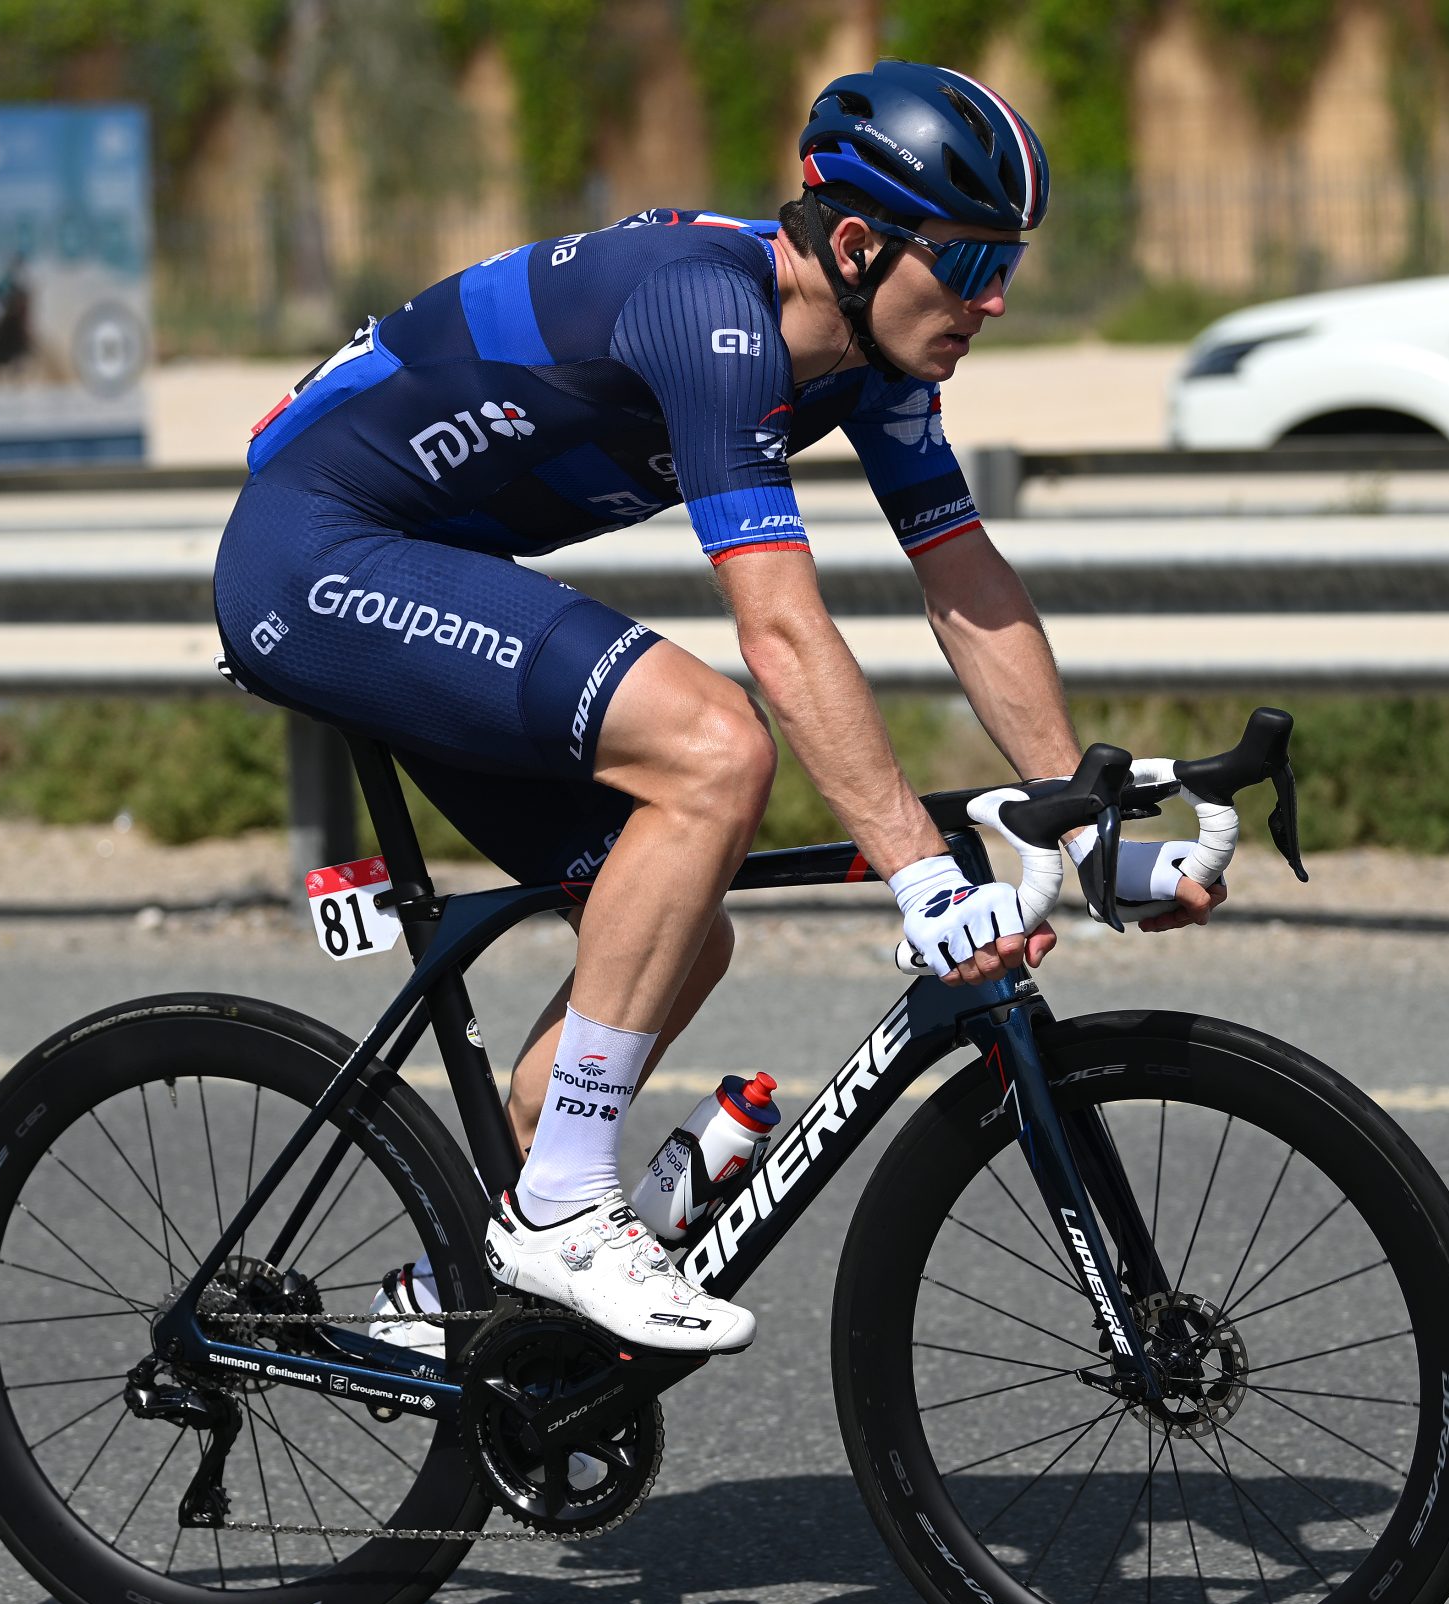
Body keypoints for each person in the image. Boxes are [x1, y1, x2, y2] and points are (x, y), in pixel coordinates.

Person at [213, 60, 1225, 1361]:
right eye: (969, 259)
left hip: (431, 568)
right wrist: (924, 876)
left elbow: (964, 578)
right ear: (858, 245)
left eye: (1007, 260)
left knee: (679, 932)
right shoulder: (713, 312)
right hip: (319, 556)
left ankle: (469, 1286)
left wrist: (1079, 831)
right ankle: (568, 1206)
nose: (995, 296)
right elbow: (780, 631)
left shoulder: (869, 359)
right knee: (713, 750)